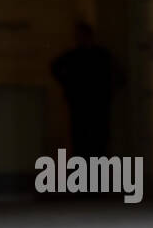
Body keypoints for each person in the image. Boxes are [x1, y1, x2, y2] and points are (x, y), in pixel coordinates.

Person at [50, 21, 122, 159]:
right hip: (90, 104)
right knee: (89, 141)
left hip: (88, 103)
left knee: (88, 141)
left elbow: (119, 75)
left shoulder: (83, 55)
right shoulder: (97, 54)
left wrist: (67, 85)